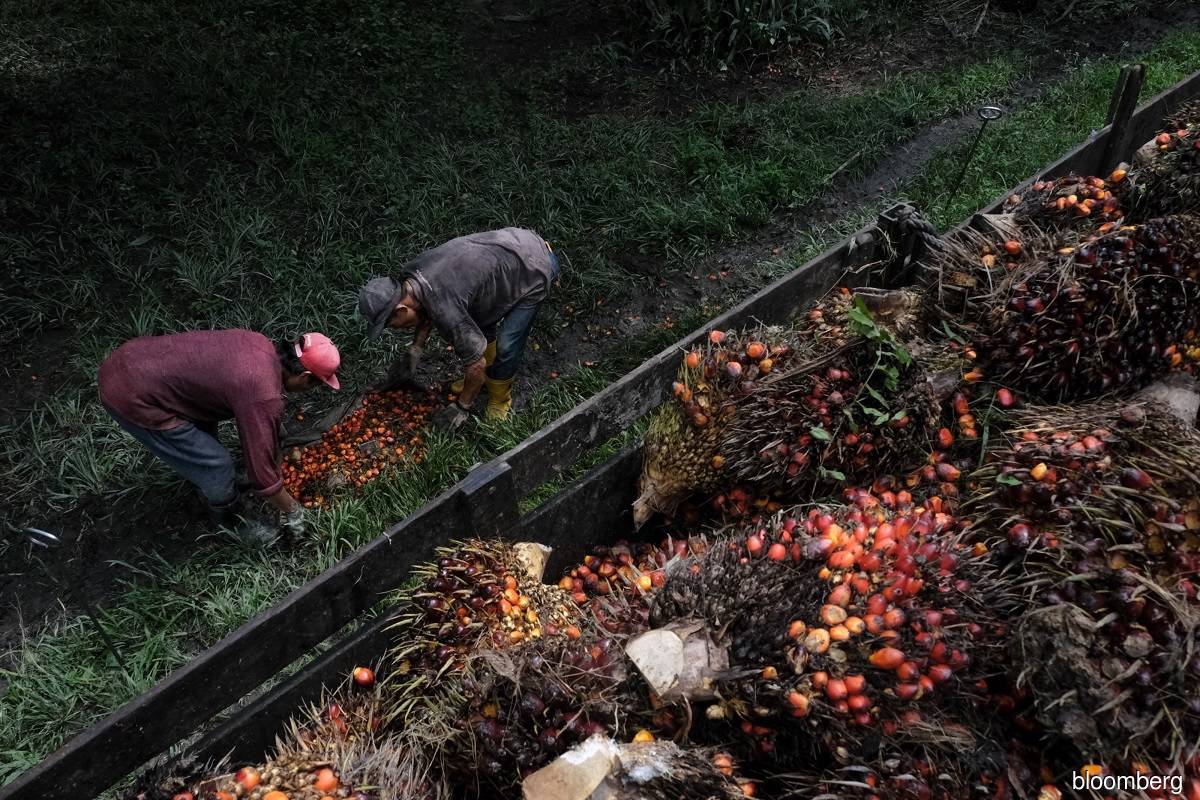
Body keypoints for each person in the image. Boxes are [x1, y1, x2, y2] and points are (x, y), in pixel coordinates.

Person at [98, 329, 341, 541]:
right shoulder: (262, 393)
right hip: (132, 394)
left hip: (135, 358)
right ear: (305, 377)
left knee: (208, 436)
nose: (308, 391)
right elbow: (263, 478)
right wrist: (293, 512)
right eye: (314, 385)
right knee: (217, 465)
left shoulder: (259, 344)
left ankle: (206, 479)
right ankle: (229, 521)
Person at [357, 227, 560, 430]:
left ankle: (499, 397)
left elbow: (476, 364)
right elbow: (426, 311)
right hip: (510, 252)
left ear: (401, 311)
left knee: (508, 344)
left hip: (534, 265)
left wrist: (461, 406)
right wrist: (414, 352)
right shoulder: (412, 277)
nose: (394, 328)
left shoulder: (445, 307)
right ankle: (482, 381)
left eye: (390, 324)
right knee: (480, 324)